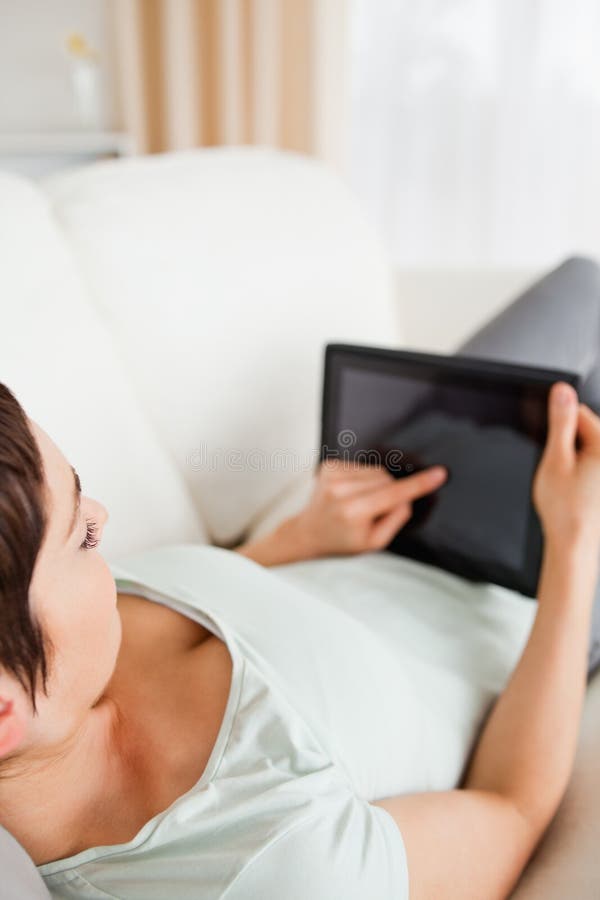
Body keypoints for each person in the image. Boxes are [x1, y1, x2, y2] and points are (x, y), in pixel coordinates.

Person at [1, 258, 600, 899]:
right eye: (82, 536)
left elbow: (220, 605)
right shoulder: (269, 866)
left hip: (405, 523)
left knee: (583, 290)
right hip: (534, 597)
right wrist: (573, 544)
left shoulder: (65, 658)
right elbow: (510, 808)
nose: (103, 520)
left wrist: (303, 537)